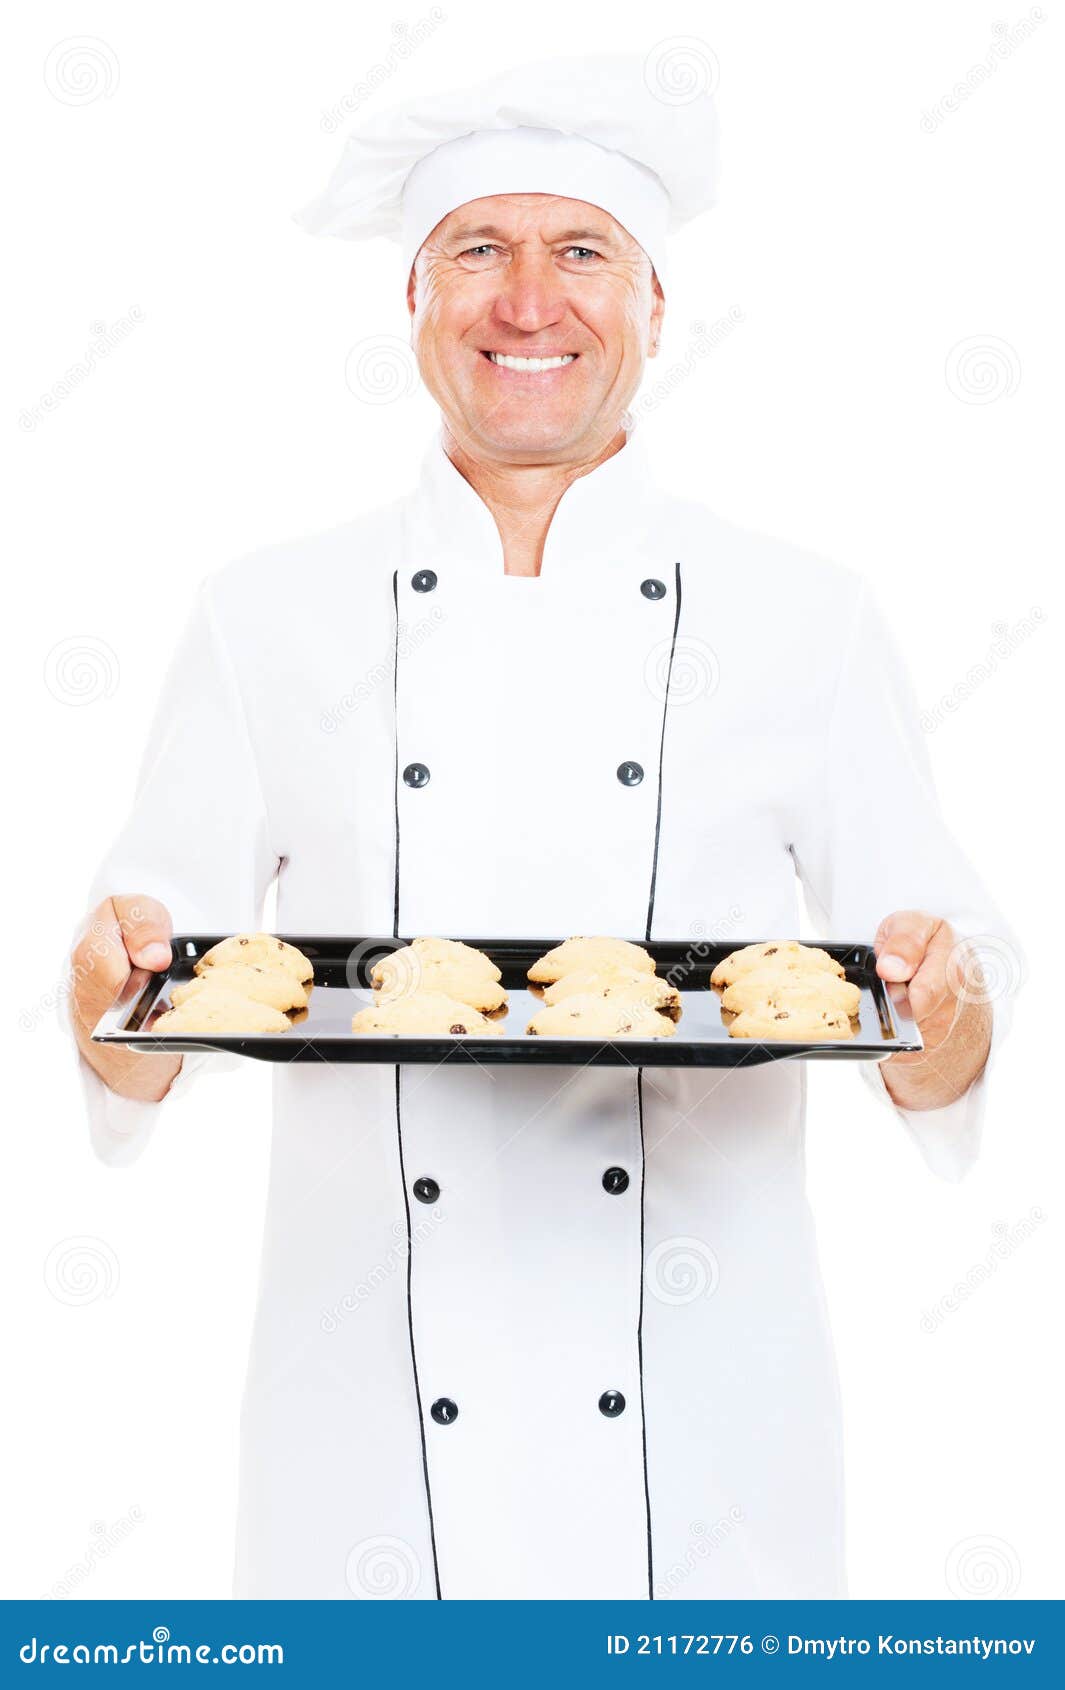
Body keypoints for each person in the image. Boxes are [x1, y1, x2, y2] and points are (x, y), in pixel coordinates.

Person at [68, 57, 1005, 1599]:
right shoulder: (263, 615)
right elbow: (134, 1019)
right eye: (475, 252)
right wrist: (100, 991)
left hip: (702, 1453)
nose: (526, 303)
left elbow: (943, 1011)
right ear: (415, 299)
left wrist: (947, 1000)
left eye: (577, 252)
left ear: (652, 300)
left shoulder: (805, 617)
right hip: (366, 1443)